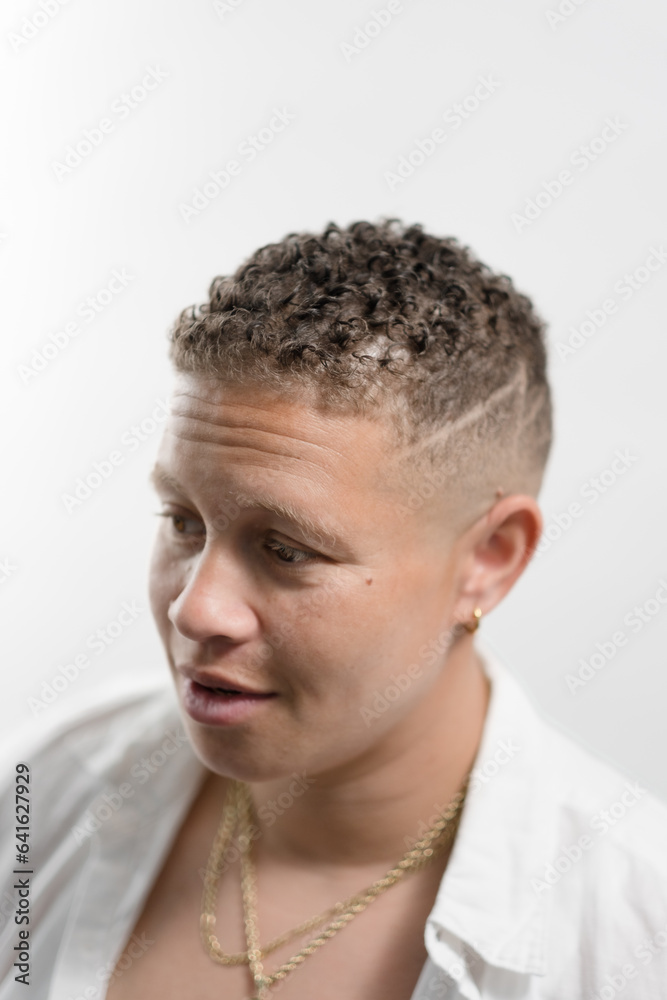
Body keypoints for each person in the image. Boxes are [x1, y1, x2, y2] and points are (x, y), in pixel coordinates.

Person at [2, 219, 666, 1000]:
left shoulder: (631, 937)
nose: (196, 609)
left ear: (487, 561)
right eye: (184, 521)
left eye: (285, 549)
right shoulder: (43, 786)